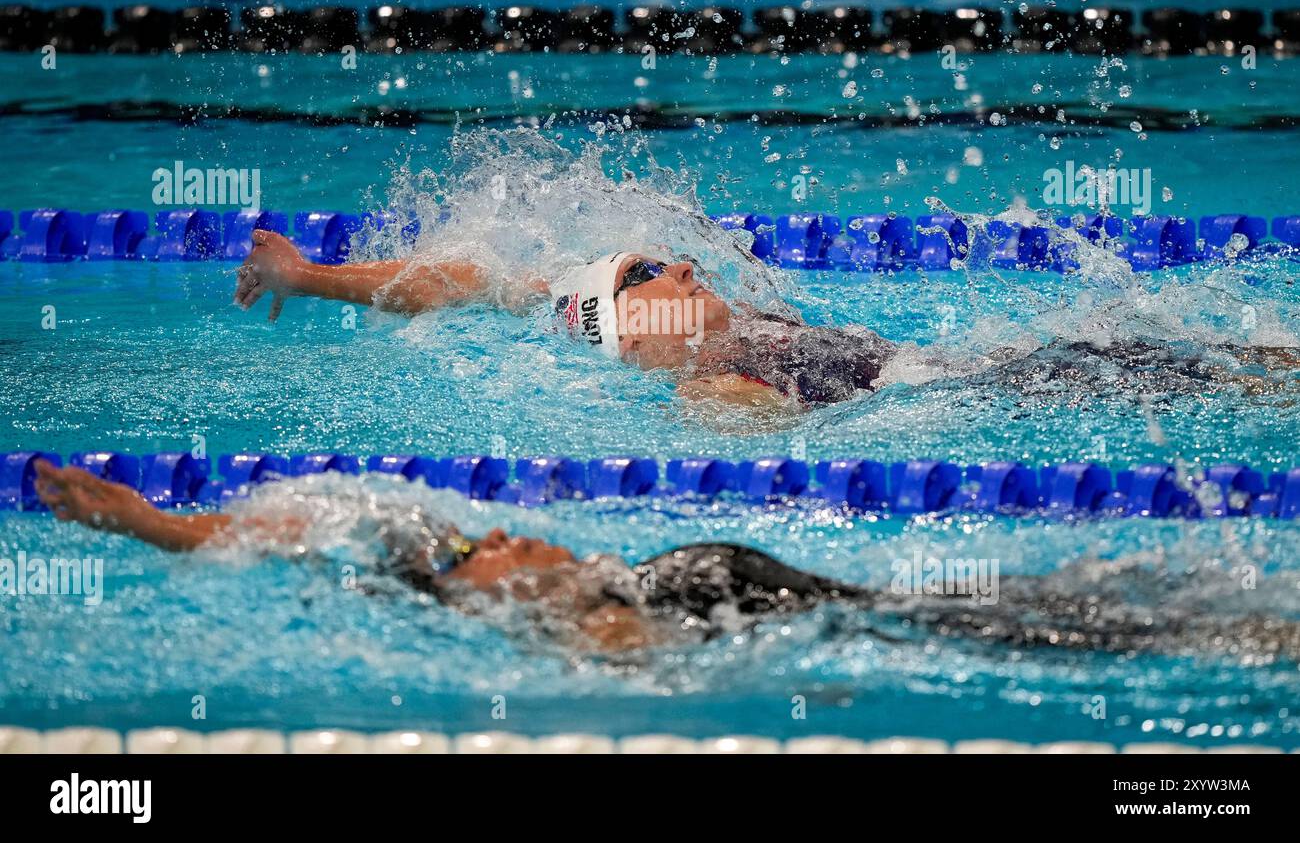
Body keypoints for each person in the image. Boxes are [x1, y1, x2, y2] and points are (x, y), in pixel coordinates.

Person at [32, 460, 1300, 659]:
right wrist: (152, 532)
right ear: (482, 602)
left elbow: (323, 515)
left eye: (491, 530)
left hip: (928, 598)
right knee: (1118, 623)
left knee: (1089, 592)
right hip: (918, 625)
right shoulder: (608, 630)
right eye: (483, 550)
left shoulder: (640, 581)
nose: (501, 530)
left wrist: (162, 524)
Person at [232, 230, 1300, 412]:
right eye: (652, 269)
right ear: (625, 321)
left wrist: (314, 273)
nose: (686, 260)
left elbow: (463, 280)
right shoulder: (719, 390)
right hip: (1011, 387)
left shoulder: (718, 339)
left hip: (1007, 364)